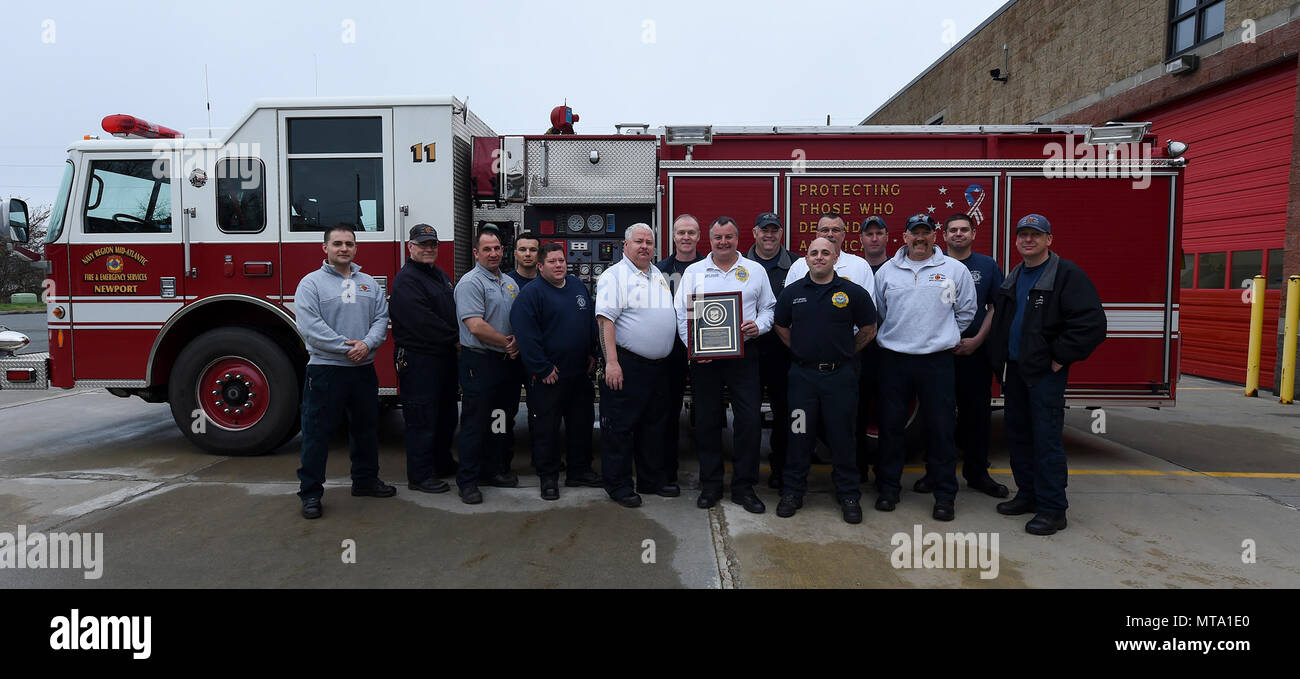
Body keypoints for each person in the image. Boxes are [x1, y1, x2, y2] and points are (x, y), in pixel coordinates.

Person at [987, 213, 1106, 535]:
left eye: (1035, 235)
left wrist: (1058, 358)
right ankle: (1027, 495)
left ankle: (1053, 509)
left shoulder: (1066, 275)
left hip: (1043, 377)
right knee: (1019, 439)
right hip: (1015, 375)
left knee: (1046, 441)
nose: (1028, 240)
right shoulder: (1015, 275)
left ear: (1048, 239)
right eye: (1023, 235)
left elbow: (1092, 324)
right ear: (1016, 241)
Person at [873, 213, 975, 522]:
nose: (920, 238)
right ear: (903, 236)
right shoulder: (887, 272)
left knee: (941, 429)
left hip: (937, 361)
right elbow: (880, 311)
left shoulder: (955, 270)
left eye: (926, 232)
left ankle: (944, 496)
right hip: (894, 360)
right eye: (914, 232)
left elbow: (967, 310)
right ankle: (888, 489)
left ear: (935, 236)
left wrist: (941, 336)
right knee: (890, 428)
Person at [674, 216, 776, 513]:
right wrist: (693, 348)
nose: (723, 242)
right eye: (717, 237)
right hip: (705, 360)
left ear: (737, 238)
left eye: (728, 237)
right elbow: (681, 314)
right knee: (707, 422)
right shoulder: (694, 272)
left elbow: (769, 309)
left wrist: (759, 326)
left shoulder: (754, 271)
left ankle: (745, 487)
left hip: (744, 358)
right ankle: (711, 485)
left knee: (749, 422)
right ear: (709, 239)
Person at [773, 237, 877, 524]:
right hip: (802, 379)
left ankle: (848, 495)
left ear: (835, 257)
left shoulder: (852, 292)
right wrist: (800, 350)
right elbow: (780, 325)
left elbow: (869, 328)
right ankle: (793, 491)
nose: (819, 257)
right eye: (814, 253)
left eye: (825, 253)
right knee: (799, 435)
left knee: (842, 437)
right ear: (806, 259)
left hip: (840, 377)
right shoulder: (792, 293)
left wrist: (846, 353)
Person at [294, 225, 395, 519]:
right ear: (324, 248)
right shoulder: (310, 284)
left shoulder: (370, 284)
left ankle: (365, 481)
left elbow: (381, 319)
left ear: (356, 248)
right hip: (325, 371)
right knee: (317, 434)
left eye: (349, 243)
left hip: (363, 371)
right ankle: (310, 493)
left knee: (365, 430)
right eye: (337, 243)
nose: (344, 248)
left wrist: (367, 345)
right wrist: (346, 347)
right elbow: (310, 327)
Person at [913, 214, 1009, 498]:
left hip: (973, 354)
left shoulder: (987, 266)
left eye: (963, 230)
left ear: (973, 233)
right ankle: (934, 473)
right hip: (938, 355)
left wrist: (978, 340)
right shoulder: (932, 265)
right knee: (937, 416)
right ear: (943, 235)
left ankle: (977, 474)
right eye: (953, 230)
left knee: (976, 417)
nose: (958, 234)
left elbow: (996, 306)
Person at [595, 224, 680, 507]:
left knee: (653, 428)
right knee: (620, 428)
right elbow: (605, 321)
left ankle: (650, 480)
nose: (645, 246)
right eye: (639, 242)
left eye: (649, 242)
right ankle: (618, 486)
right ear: (625, 245)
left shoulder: (656, 274)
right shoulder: (614, 276)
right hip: (627, 365)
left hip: (658, 368)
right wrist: (611, 363)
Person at [509, 243, 602, 500]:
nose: (559, 265)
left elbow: (589, 322)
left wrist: (592, 352)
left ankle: (579, 470)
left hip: (578, 374)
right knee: (546, 429)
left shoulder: (576, 287)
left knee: (581, 425)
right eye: (552, 262)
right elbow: (526, 335)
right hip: (548, 375)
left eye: (561, 260)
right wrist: (542, 367)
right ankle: (548, 477)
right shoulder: (531, 294)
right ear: (540, 267)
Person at [454, 229, 522, 504]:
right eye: (487, 249)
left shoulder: (509, 283)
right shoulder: (470, 283)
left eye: (497, 248)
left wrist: (518, 339)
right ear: (476, 253)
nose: (493, 254)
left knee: (499, 420)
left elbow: (517, 317)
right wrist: (508, 343)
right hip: (480, 361)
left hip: (505, 363)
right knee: (475, 423)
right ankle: (468, 481)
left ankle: (492, 470)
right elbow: (475, 325)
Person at [389, 224, 458, 494]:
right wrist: (456, 337)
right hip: (419, 359)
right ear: (410, 247)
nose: (428, 249)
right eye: (422, 244)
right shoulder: (407, 280)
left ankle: (441, 463)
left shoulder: (437, 275)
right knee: (422, 418)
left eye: (433, 244)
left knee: (445, 415)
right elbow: (422, 322)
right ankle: (419, 476)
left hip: (442, 358)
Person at [745, 212, 796, 491]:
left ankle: (781, 471)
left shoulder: (798, 265)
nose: (769, 235)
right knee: (749, 416)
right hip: (748, 354)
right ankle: (749, 475)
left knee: (785, 415)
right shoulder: (740, 265)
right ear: (755, 232)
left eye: (774, 230)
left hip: (783, 354)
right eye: (764, 230)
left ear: (781, 233)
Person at [655, 214, 705, 486]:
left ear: (699, 236)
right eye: (680, 232)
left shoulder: (711, 267)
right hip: (671, 354)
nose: (686, 237)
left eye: (691, 232)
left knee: (709, 413)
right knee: (668, 414)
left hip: (707, 352)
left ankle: (709, 476)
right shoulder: (659, 272)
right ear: (673, 237)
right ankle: (667, 472)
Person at [855, 215, 890, 482]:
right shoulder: (854, 270)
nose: (874, 238)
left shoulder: (898, 269)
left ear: (887, 237)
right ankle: (859, 469)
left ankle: (885, 473)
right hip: (861, 354)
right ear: (861, 239)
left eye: (879, 233)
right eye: (869, 234)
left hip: (891, 354)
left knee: (890, 414)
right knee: (857, 412)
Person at [784, 213, 874, 292]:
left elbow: (868, 308)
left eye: (835, 230)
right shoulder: (798, 267)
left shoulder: (860, 266)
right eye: (825, 230)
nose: (830, 234)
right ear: (817, 235)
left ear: (843, 235)